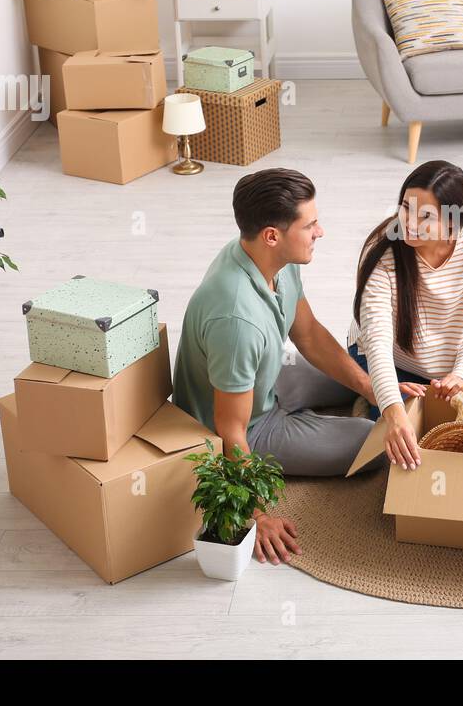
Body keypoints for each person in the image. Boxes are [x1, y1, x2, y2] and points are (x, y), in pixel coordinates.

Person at [173, 168, 414, 565]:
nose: (320, 232)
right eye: (311, 224)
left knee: (363, 368)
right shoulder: (237, 320)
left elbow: (309, 333)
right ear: (273, 235)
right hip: (250, 422)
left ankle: (342, 397)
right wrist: (256, 514)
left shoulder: (277, 259)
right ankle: (295, 439)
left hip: (270, 375)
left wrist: (372, 389)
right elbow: (229, 426)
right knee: (373, 444)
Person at [348, 160, 463, 470]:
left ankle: (357, 386)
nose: (409, 223)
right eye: (405, 207)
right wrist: (392, 411)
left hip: (446, 367)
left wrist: (461, 374)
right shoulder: (382, 251)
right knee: (403, 448)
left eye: (426, 216)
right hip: (390, 358)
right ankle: (359, 385)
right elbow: (376, 342)